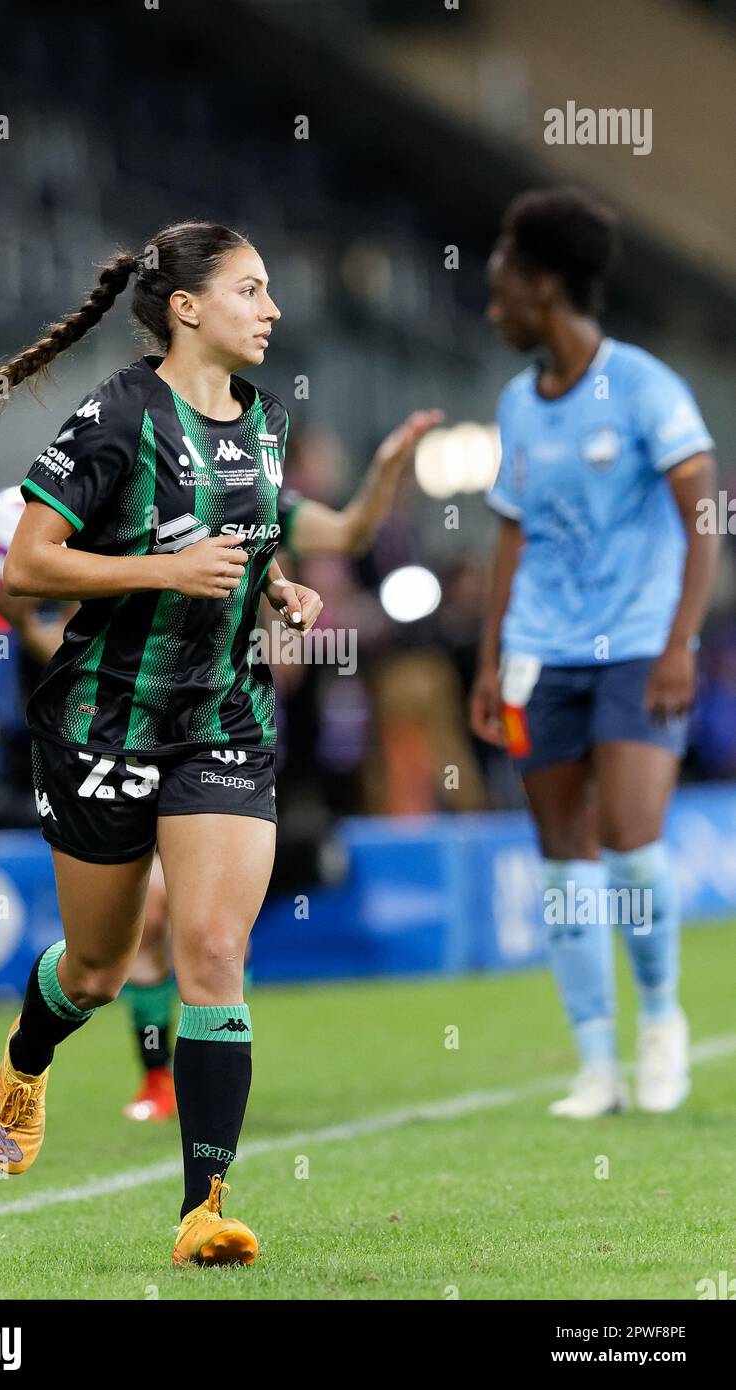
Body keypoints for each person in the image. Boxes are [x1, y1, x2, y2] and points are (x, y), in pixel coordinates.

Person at [0, 221, 322, 1267]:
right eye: (250, 290)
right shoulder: (116, 416)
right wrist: (161, 576)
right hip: (100, 722)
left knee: (211, 954)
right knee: (94, 969)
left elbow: (244, 541)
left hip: (222, 718)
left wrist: (276, 584)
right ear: (185, 307)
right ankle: (27, 1053)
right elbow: (26, 573)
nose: (270, 310)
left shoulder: (267, 421)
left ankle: (202, 1208)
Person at [118, 406, 443, 1119]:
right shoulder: (133, 479)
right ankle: (153, 1073)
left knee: (206, 921)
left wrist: (385, 475)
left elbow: (349, 531)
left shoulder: (262, 501)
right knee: (144, 921)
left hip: (229, 725)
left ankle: (209, 1069)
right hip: (135, 720)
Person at [470, 187, 718, 1119]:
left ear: (544, 288)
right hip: (543, 650)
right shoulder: (516, 403)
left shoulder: (646, 385)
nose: (493, 311)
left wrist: (679, 640)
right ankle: (596, 1063)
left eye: (501, 295)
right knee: (564, 858)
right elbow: (509, 537)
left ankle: (660, 1022)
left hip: (640, 648)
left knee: (630, 837)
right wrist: (492, 661)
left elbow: (704, 509)